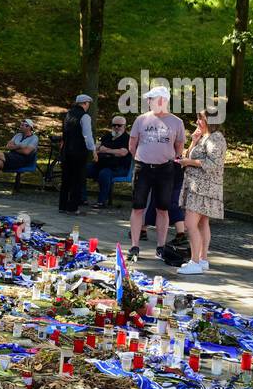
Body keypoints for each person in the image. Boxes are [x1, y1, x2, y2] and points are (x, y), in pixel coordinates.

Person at [127, 86, 185, 261]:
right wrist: (142, 158)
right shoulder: (141, 120)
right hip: (143, 168)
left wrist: (165, 158)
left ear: (162, 101)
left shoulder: (176, 122)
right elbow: (132, 145)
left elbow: (179, 148)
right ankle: (134, 246)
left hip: (165, 169)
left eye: (151, 99)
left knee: (163, 208)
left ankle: (160, 247)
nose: (148, 102)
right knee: (138, 207)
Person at [176, 107, 226, 275]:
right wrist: (194, 141)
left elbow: (213, 164)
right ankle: (202, 259)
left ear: (210, 121)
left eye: (201, 119)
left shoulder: (216, 138)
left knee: (190, 224)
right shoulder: (204, 137)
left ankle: (195, 262)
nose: (197, 122)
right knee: (202, 223)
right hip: (196, 186)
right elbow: (189, 155)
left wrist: (189, 162)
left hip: (204, 188)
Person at [0, 118, 39, 196]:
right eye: (21, 124)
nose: (21, 126)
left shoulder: (34, 138)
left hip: (22, 160)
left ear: (29, 127)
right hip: (12, 158)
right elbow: (8, 146)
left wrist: (14, 148)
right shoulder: (18, 135)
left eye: (24, 125)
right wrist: (19, 146)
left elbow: (26, 152)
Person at [58, 95, 96, 214]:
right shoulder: (85, 116)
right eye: (88, 103)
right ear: (85, 103)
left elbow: (65, 133)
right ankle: (73, 207)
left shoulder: (68, 114)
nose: (88, 106)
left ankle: (62, 206)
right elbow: (87, 136)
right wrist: (93, 150)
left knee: (66, 179)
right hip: (78, 151)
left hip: (66, 150)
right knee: (77, 179)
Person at [84, 114, 132, 209]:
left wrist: (106, 150)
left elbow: (122, 152)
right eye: (114, 125)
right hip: (101, 164)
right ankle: (82, 198)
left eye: (119, 125)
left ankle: (102, 202)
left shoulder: (127, 138)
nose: (116, 127)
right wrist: (110, 151)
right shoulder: (107, 136)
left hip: (118, 167)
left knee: (104, 173)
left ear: (124, 126)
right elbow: (96, 148)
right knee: (82, 169)